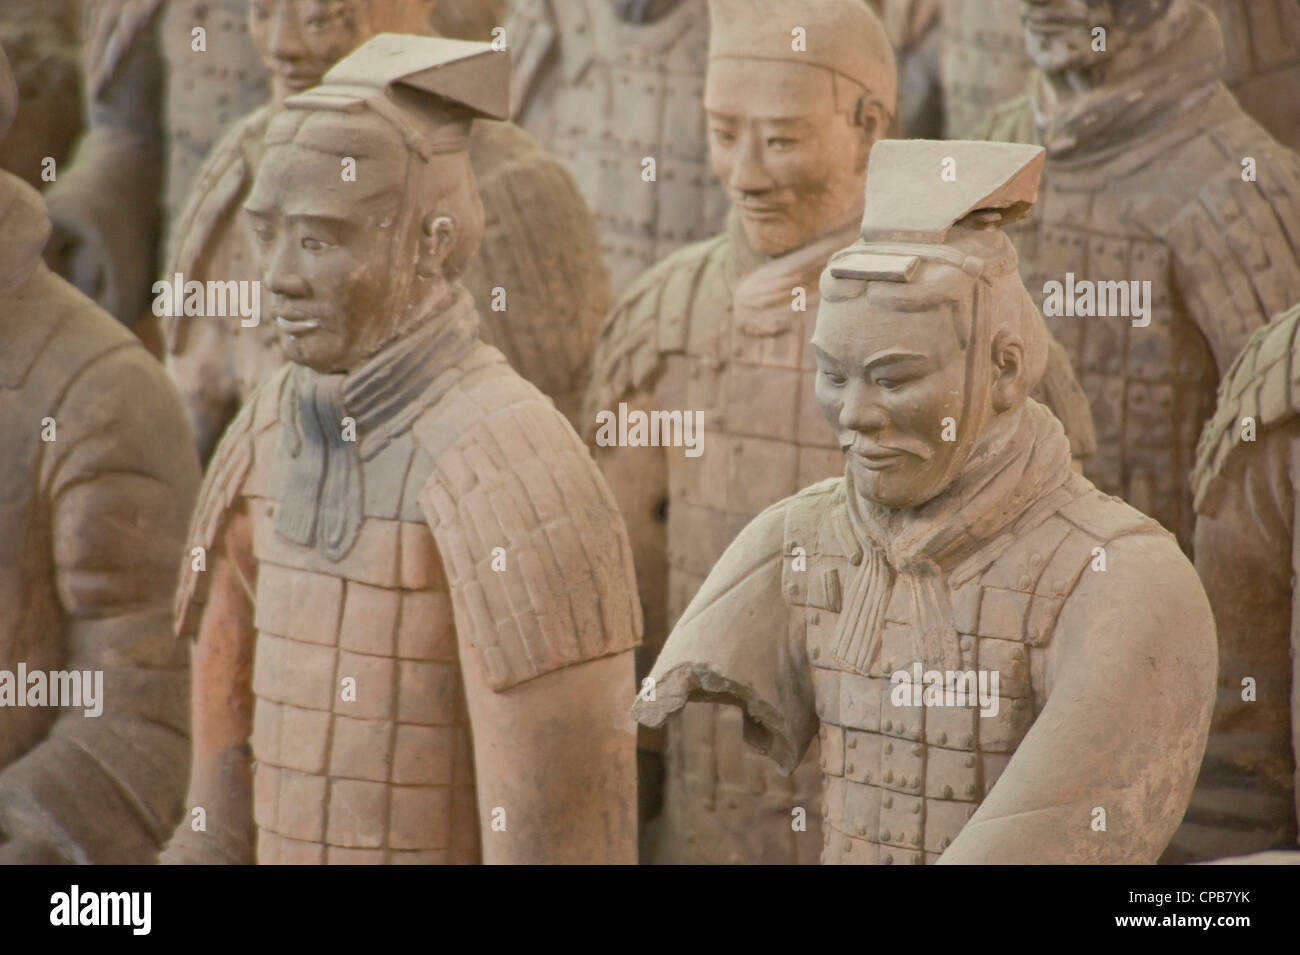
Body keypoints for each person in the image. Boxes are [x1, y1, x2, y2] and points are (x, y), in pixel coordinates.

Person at [633, 139, 1217, 864]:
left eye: (892, 378)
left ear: (1005, 369)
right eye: (833, 375)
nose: (854, 415)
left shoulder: (1122, 581)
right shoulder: (797, 539)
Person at [161, 36, 640, 864]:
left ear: (430, 241)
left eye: (319, 240)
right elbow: (215, 824)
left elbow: (561, 850)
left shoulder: (517, 468)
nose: (278, 275)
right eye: (266, 234)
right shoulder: (262, 434)